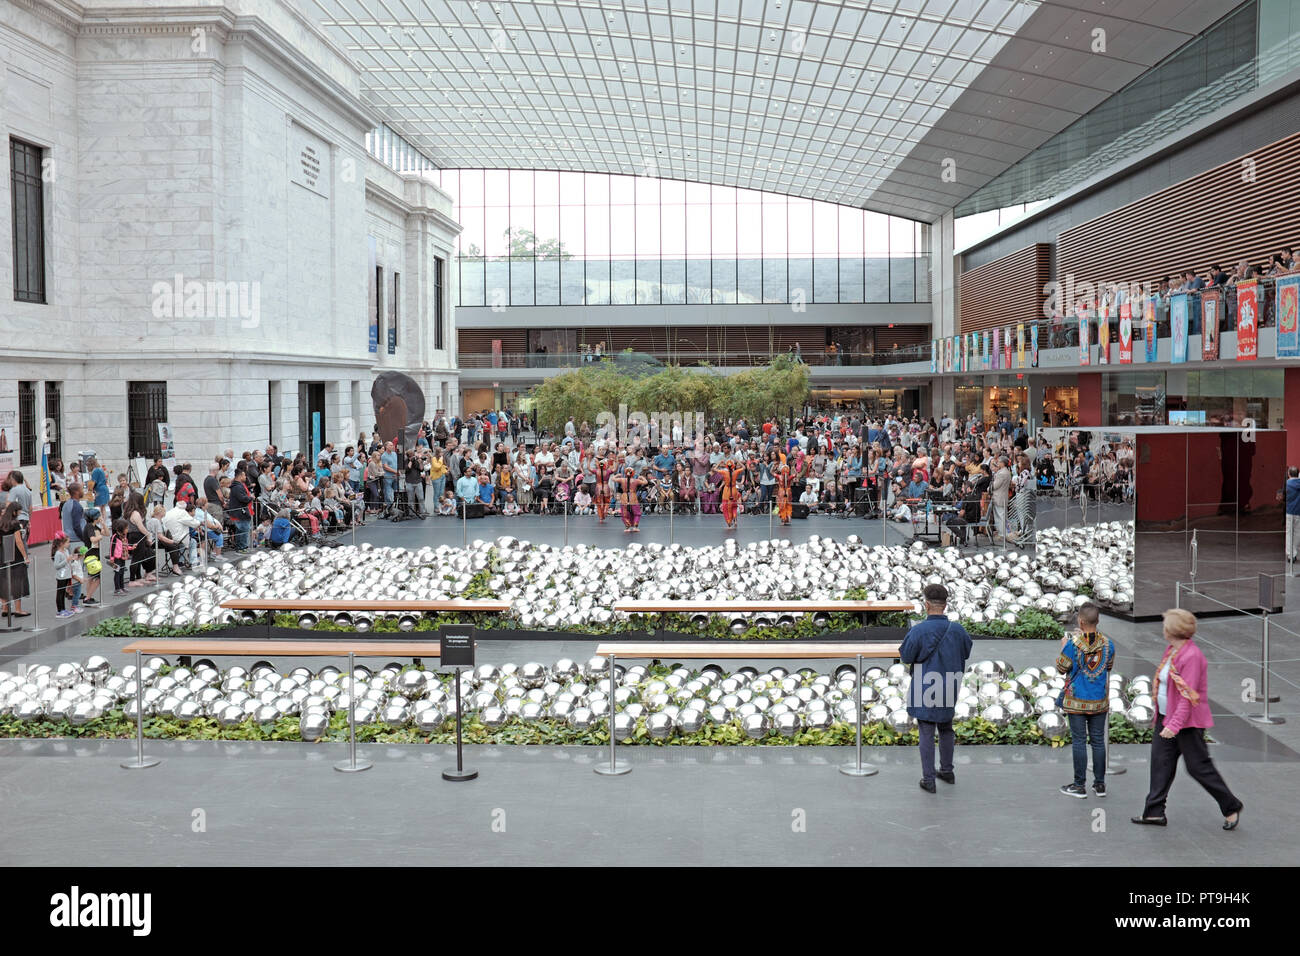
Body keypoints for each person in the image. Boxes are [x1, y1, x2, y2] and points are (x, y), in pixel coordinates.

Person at [1133, 608, 1243, 830]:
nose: (1162, 628)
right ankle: (1154, 812)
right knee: (1160, 762)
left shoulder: (1192, 657)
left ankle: (1231, 806)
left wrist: (1173, 725)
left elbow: (1188, 696)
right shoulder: (1172, 650)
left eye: (1165, 625)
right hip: (1167, 717)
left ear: (1173, 630)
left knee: (1198, 767)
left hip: (1186, 723)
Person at [900, 584, 973, 793]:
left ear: (926, 605)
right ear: (946, 605)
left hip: (926, 684)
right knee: (946, 727)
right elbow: (966, 652)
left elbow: (906, 656)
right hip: (949, 682)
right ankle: (947, 771)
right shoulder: (958, 630)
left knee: (926, 729)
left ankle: (928, 779)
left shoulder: (918, 630)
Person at [1056, 603, 1115, 798]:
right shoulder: (1108, 644)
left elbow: (1061, 668)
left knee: (1079, 741)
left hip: (1076, 700)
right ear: (1097, 621)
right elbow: (1108, 666)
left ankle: (1079, 785)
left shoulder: (1073, 644)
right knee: (1098, 741)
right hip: (1099, 700)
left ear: (1080, 621)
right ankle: (1100, 785)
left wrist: (1063, 647)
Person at [0, 502, 31, 617]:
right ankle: (18, 609)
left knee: (3, 581)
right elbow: (18, 541)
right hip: (15, 556)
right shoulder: (15, 524)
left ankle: (5, 607)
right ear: (14, 512)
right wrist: (25, 556)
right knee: (17, 581)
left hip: (2, 555)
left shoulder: (1, 522)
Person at [614, 467, 645, 533]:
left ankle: (627, 527)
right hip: (633, 497)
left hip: (624, 497)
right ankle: (635, 527)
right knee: (636, 513)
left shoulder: (622, 479)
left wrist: (617, 475)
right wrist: (642, 477)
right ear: (633, 473)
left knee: (625, 514)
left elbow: (613, 479)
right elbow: (645, 482)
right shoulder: (635, 480)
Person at [52, 532, 75, 618]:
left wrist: (72, 559)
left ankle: (63, 609)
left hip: (66, 575)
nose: (69, 544)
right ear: (62, 543)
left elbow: (68, 561)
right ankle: (59, 610)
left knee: (63, 592)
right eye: (67, 542)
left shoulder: (66, 551)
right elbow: (56, 566)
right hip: (61, 576)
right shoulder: (58, 553)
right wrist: (67, 560)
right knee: (60, 593)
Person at [1286, 466, 1300, 563]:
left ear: (1289, 474)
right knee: (1297, 533)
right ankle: (1295, 553)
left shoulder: (1287, 483)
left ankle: (1290, 555)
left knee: (1289, 533)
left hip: (1289, 511)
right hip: (1298, 512)